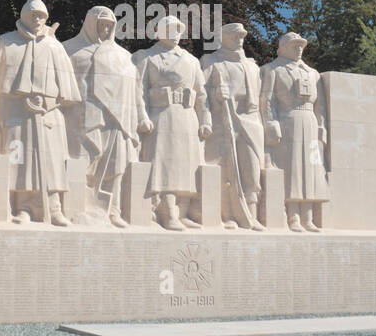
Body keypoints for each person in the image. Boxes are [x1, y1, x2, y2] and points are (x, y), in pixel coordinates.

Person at [0, 0, 81, 224]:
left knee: (53, 161)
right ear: (24, 15)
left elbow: (68, 91)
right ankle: (23, 207)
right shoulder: (6, 42)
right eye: (33, 14)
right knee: (20, 161)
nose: (37, 19)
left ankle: (54, 208)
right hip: (17, 113)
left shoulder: (55, 47)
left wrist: (48, 103)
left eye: (41, 15)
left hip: (49, 114)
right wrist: (20, 101)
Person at [63, 6, 151, 226]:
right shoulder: (69, 50)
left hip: (119, 121)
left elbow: (136, 91)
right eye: (100, 24)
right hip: (85, 118)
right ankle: (78, 209)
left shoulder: (124, 56)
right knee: (83, 161)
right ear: (90, 24)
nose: (104, 29)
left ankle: (114, 211)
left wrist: (141, 116)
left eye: (109, 26)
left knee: (116, 167)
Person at [135, 15, 211, 230]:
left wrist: (205, 120)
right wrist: (142, 116)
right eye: (170, 30)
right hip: (162, 115)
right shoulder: (147, 57)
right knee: (166, 165)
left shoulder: (191, 60)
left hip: (187, 117)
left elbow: (201, 94)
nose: (176, 34)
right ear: (160, 32)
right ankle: (167, 212)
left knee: (187, 165)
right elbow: (138, 91)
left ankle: (182, 211)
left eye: (178, 30)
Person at [260, 31, 329, 231]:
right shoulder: (272, 70)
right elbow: (267, 100)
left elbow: (320, 106)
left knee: (312, 170)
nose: (299, 49)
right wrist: (271, 123)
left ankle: (308, 217)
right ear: (283, 48)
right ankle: (293, 217)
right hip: (288, 122)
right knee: (293, 170)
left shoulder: (313, 74)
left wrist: (322, 127)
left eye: (301, 45)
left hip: (310, 123)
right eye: (294, 45)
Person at [202, 22, 265, 230]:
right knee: (226, 170)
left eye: (242, 36)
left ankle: (252, 215)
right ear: (223, 38)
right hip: (224, 119)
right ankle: (227, 214)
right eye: (235, 36)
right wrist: (216, 96)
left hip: (252, 120)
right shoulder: (211, 61)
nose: (239, 40)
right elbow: (200, 93)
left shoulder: (253, 66)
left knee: (252, 170)